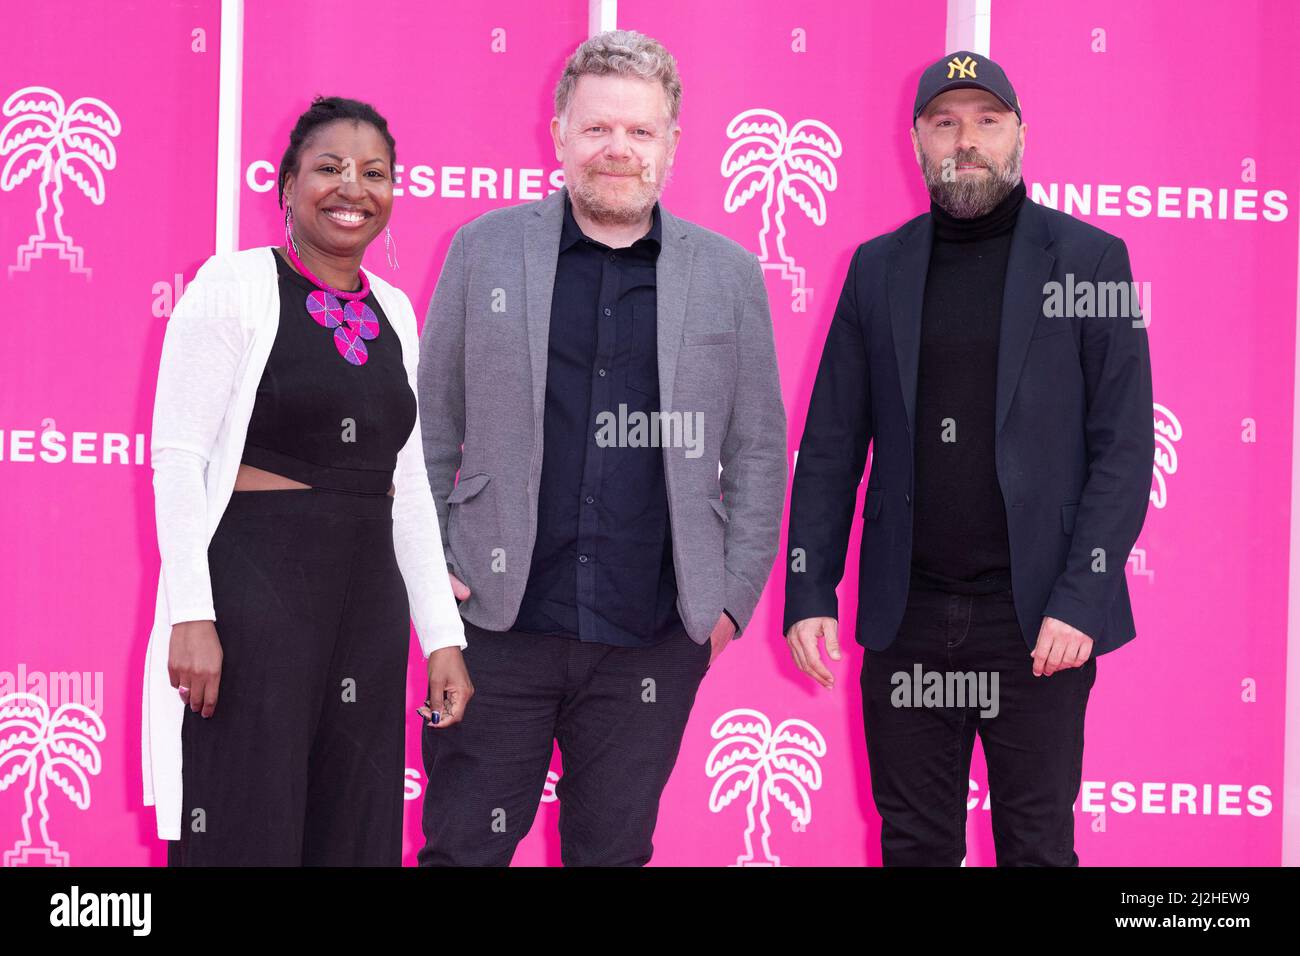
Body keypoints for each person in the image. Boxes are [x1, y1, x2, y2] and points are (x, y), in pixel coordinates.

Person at [416, 30, 787, 866]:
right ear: (558, 134)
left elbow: (760, 451)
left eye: (640, 130)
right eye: (596, 128)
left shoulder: (728, 275)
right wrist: (433, 572)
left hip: (653, 638)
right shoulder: (482, 250)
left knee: (611, 857)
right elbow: (428, 428)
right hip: (494, 628)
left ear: (672, 144)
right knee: (462, 852)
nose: (618, 148)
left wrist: (728, 603)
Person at [783, 51, 1154, 866]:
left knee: (1037, 848)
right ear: (917, 138)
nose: (967, 140)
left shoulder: (1090, 261)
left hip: (1039, 623)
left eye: (988, 120)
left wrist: (1081, 600)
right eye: (945, 122)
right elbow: (833, 442)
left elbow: (1125, 447)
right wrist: (809, 588)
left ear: (1020, 133)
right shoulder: (876, 268)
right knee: (914, 847)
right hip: (908, 617)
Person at [143, 96, 468, 865]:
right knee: (244, 819)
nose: (352, 187)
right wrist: (192, 614)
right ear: (288, 186)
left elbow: (409, 488)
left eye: (374, 173)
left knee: (352, 827)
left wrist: (442, 638)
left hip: (369, 608)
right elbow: (179, 457)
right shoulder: (234, 284)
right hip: (258, 600)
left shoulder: (395, 311)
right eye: (329, 168)